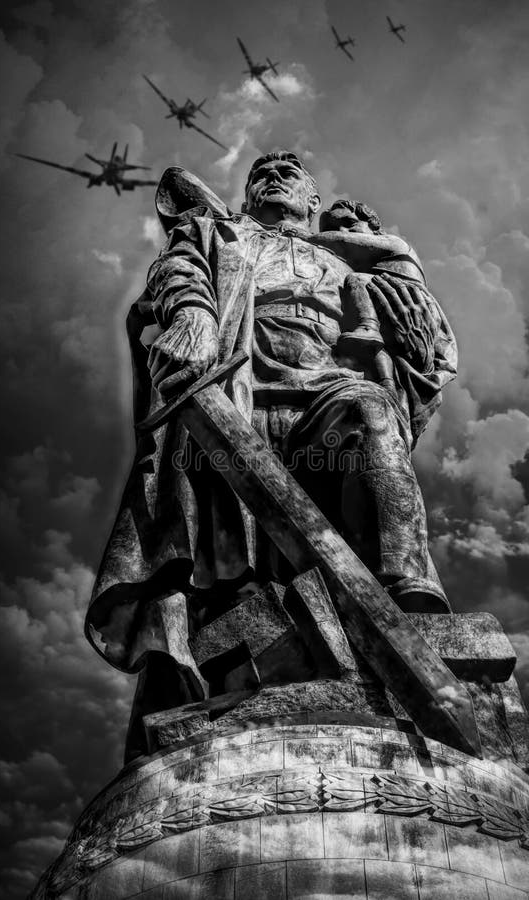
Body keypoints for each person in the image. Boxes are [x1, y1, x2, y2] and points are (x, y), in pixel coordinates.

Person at [85, 151, 457, 756]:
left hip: (322, 396)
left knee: (369, 411)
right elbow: (178, 273)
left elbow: (425, 351)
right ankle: (236, 654)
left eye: (291, 173)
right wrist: (193, 318)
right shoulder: (217, 232)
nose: (275, 174)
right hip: (235, 388)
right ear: (250, 195)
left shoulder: (347, 264)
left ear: (314, 204)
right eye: (262, 173)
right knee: (230, 560)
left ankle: (399, 595)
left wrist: (382, 252)